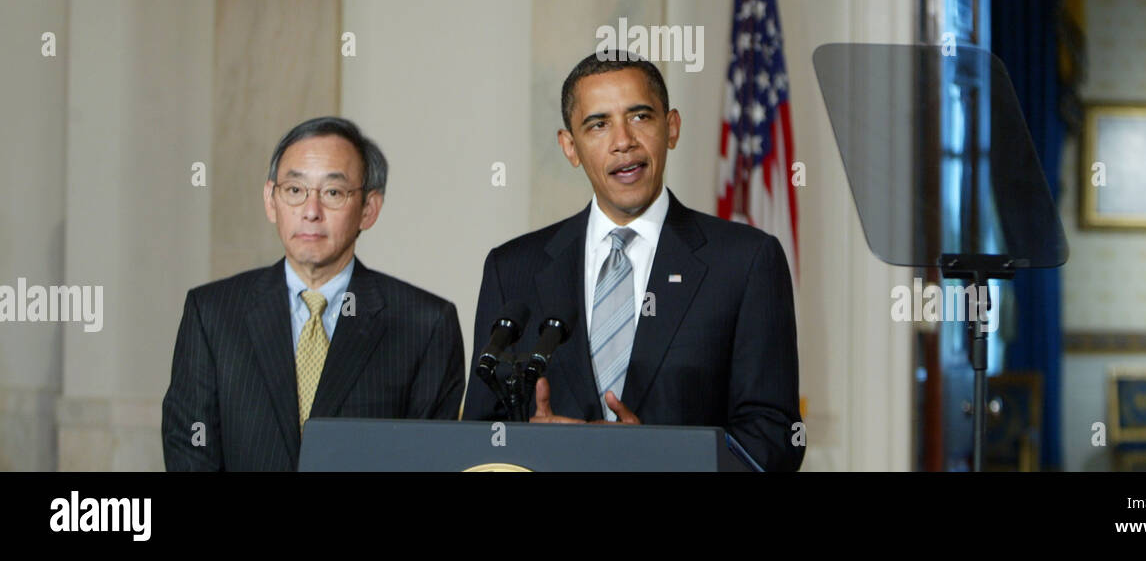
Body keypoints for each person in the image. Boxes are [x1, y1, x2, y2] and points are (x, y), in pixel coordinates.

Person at [463, 52, 803, 472]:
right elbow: (478, 438)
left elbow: (775, 440)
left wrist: (655, 456)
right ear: (570, 147)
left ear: (671, 128)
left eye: (640, 117)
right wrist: (535, 444)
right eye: (599, 124)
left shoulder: (745, 261)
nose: (623, 140)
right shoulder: (512, 268)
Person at [161, 116, 464, 470]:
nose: (310, 211)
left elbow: (429, 461)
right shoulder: (212, 313)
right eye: (294, 190)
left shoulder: (425, 324)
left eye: (333, 193)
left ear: (369, 209)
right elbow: (189, 450)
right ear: (270, 201)